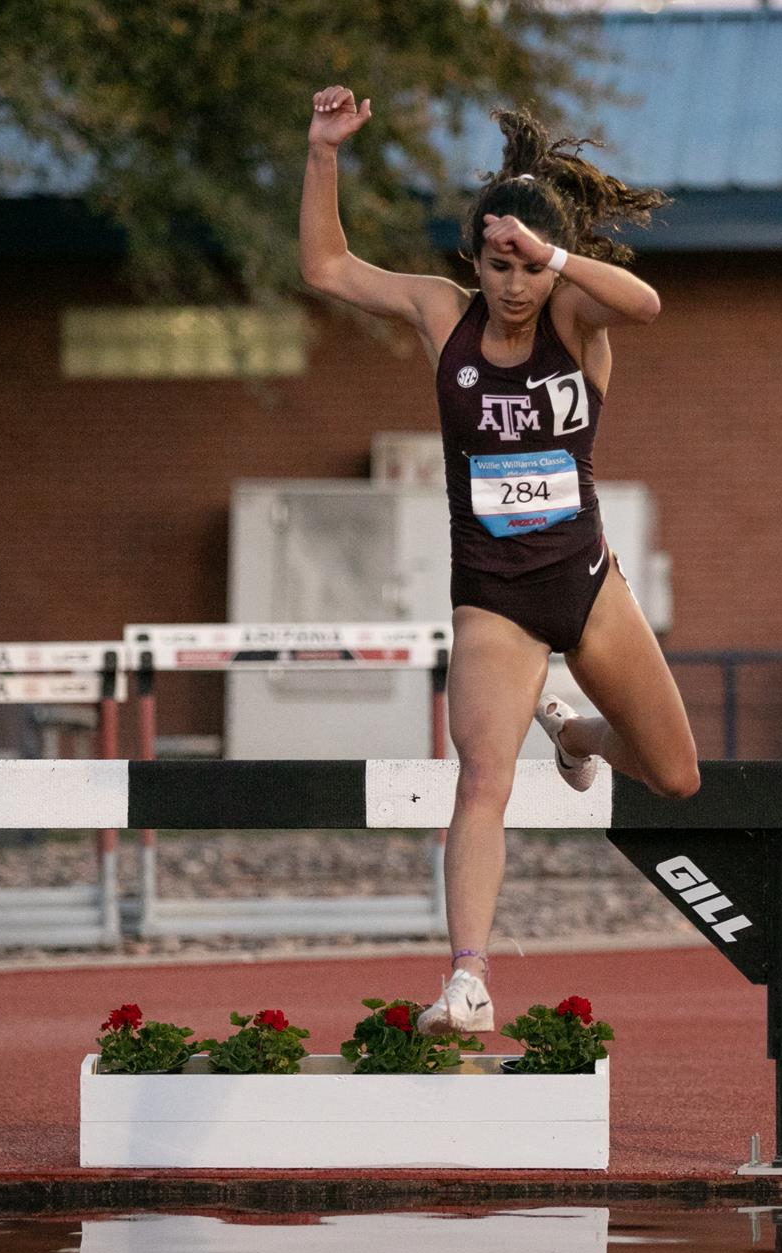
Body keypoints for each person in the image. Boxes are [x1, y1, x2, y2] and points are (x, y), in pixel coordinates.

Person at [300, 88, 701, 1034]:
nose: (512, 287)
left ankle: (579, 735)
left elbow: (645, 302)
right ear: (472, 259)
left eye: (526, 266)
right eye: (496, 264)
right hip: (494, 597)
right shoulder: (445, 315)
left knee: (677, 775)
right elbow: (325, 265)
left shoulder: (576, 315)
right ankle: (468, 979)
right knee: (482, 778)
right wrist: (324, 153)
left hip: (588, 583)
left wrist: (557, 256)